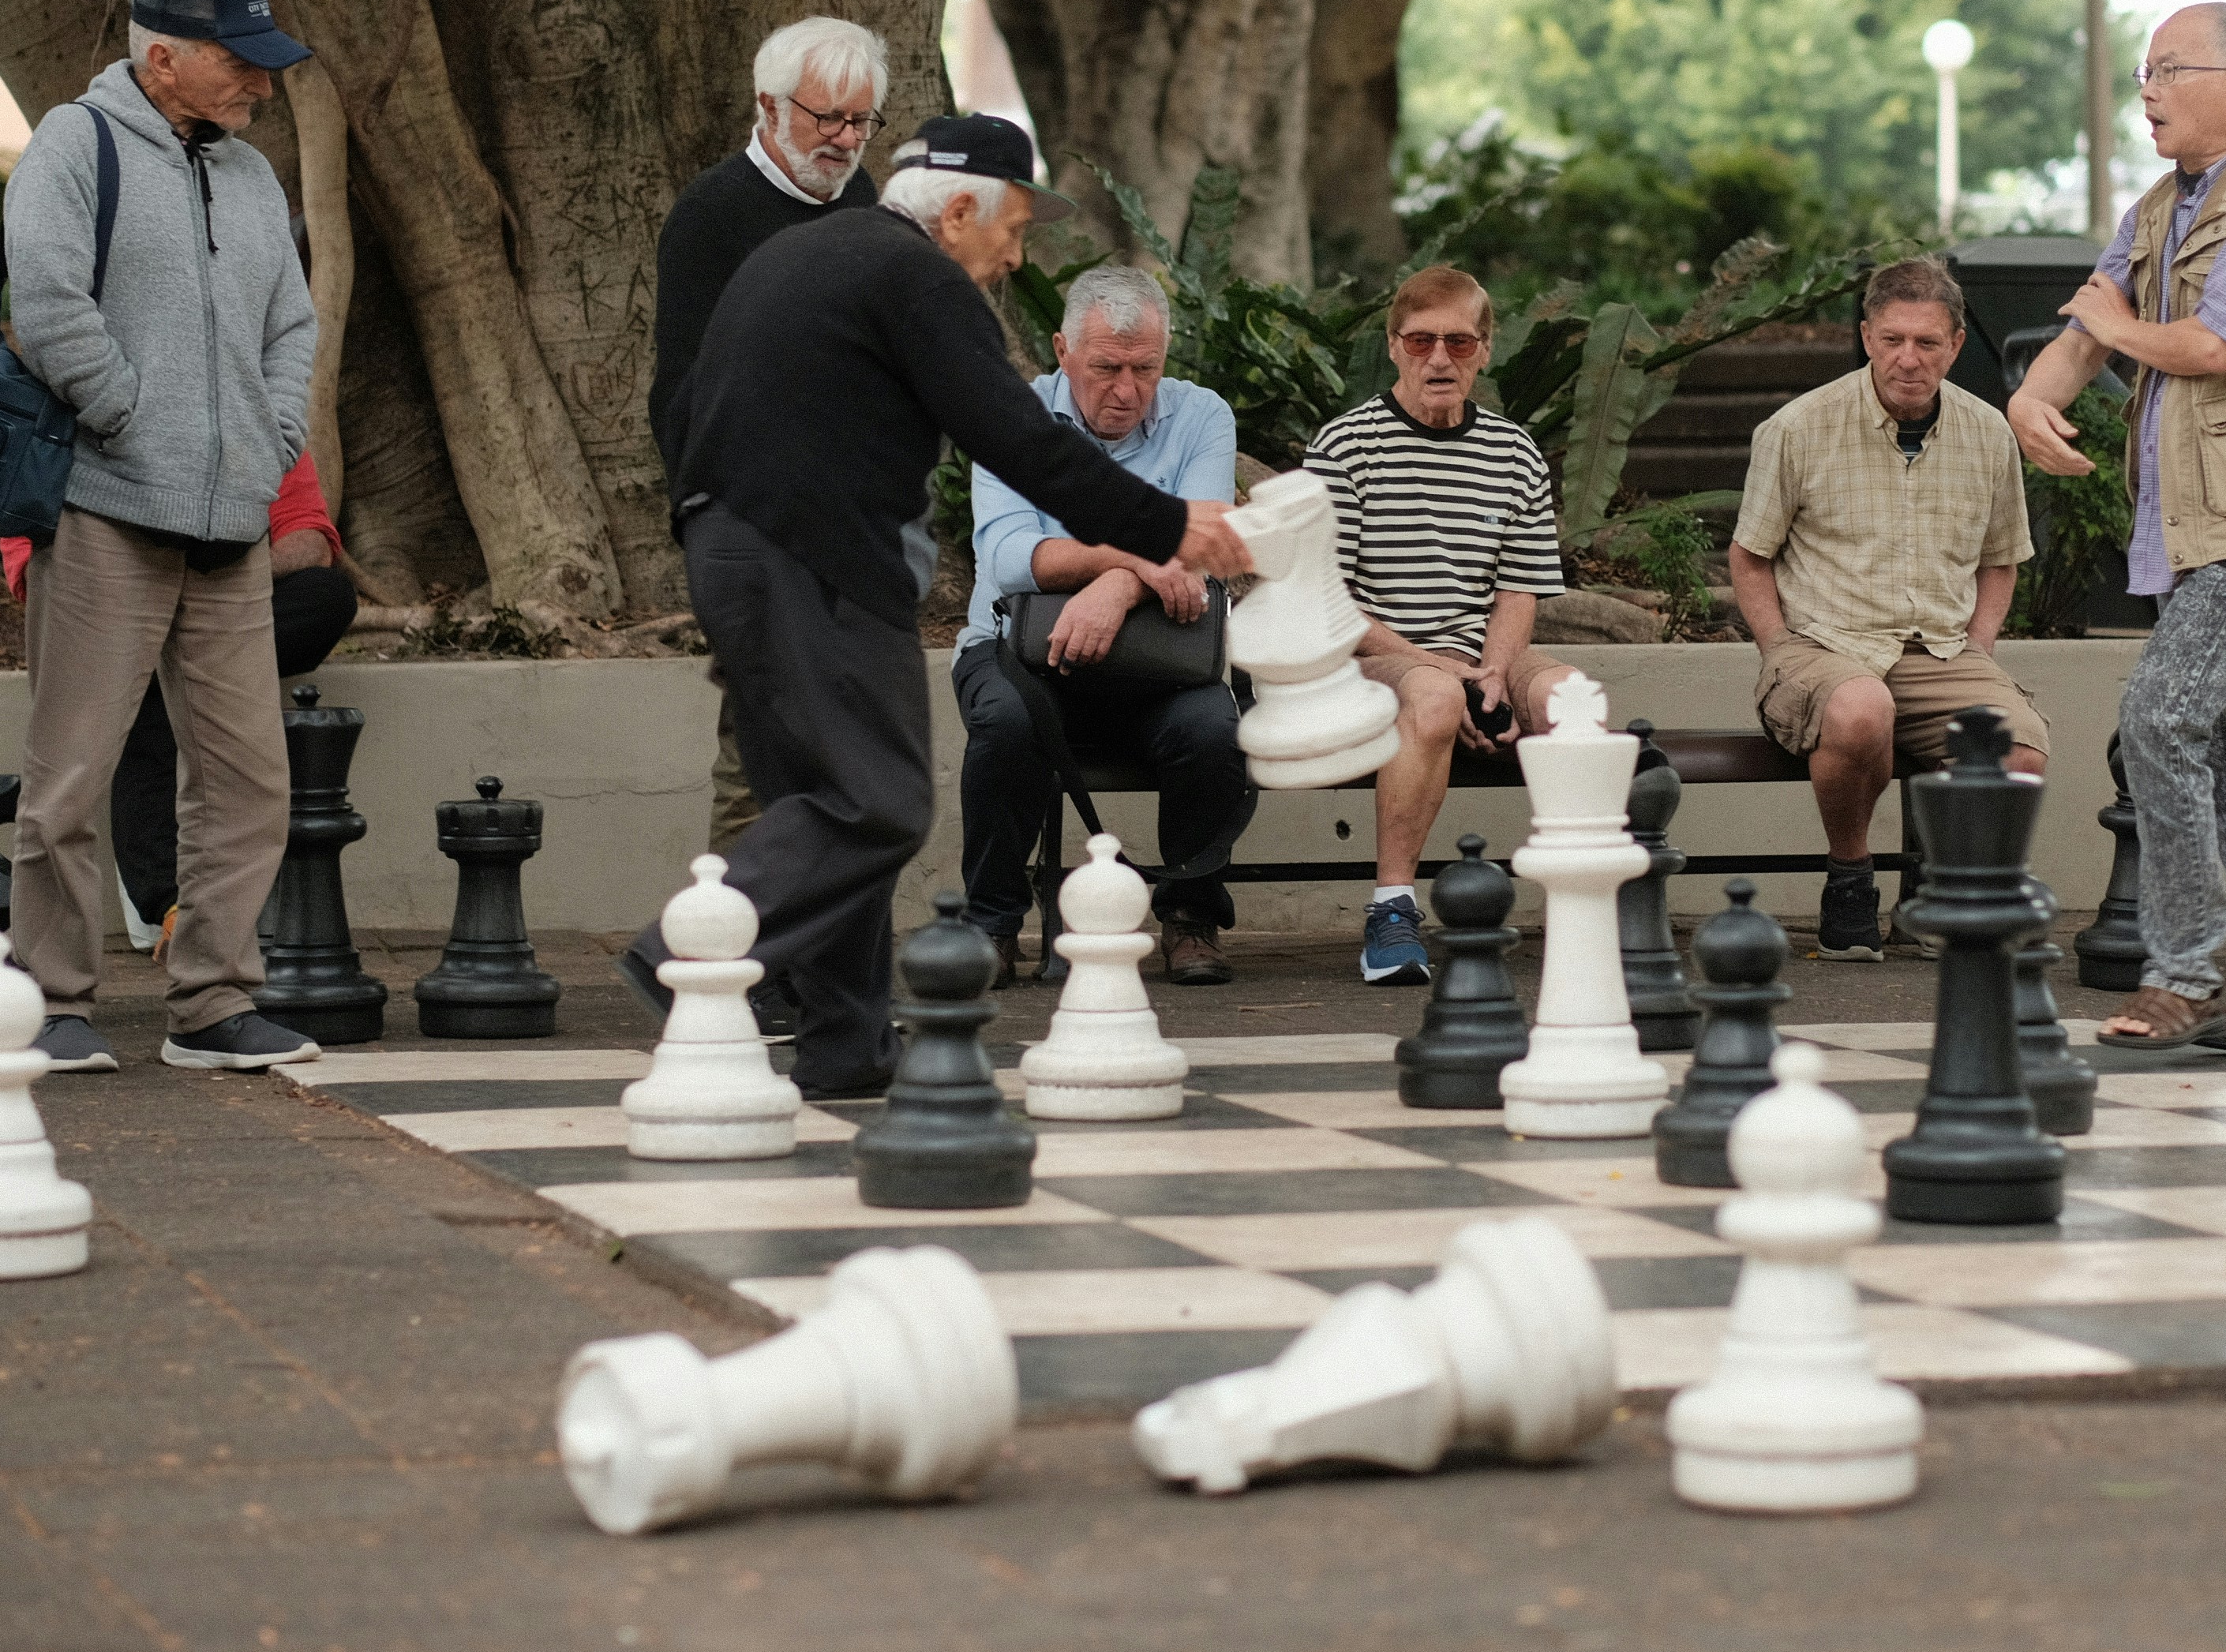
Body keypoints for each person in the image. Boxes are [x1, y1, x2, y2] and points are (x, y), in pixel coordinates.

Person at [637, 114, 1247, 1098]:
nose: (1014, 257)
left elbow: (687, 402)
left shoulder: (812, 252)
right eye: (1011, 231)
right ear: (958, 211)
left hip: (731, 544)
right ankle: (689, 954)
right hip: (816, 558)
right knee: (879, 801)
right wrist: (1167, 528)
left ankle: (846, 1042)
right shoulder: (914, 275)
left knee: (814, 797)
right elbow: (1023, 440)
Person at [2006, 1, 2226, 1059]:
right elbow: (2091, 317)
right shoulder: (2164, 203)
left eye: (2169, 69)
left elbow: (2216, 346)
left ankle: (2181, 974)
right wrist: (2034, 396)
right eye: (2146, 71)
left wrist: (2113, 331)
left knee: (2160, 722)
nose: (2146, 91)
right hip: (2195, 517)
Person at [2, 0, 323, 1077]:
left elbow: (294, 323)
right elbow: (42, 301)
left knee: (248, 781)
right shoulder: (71, 148)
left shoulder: (247, 175)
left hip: (230, 525)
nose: (261, 86)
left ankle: (215, 1000)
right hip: (104, 512)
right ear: (164, 56)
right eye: (242, 64)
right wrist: (132, 417)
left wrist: (273, 436)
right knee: (68, 778)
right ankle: (51, 999)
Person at [1729, 256, 2043, 962]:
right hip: (1822, 645)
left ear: (1956, 346)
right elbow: (1749, 558)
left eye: (1928, 343)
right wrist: (1777, 648)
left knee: (2018, 751)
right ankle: (1850, 879)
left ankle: (1942, 900)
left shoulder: (1989, 432)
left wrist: (1981, 648)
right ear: (1867, 336)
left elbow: (2002, 557)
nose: (1909, 358)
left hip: (1939, 648)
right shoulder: (1798, 427)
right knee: (1861, 708)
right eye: (1894, 339)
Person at [952, 266, 1246, 987]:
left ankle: (1190, 917)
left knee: (1215, 728)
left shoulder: (1202, 416)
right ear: (1061, 349)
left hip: (1161, 659)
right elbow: (1012, 556)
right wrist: (1143, 560)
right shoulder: (1008, 418)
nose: (1125, 391)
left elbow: (1204, 545)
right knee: (1008, 723)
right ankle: (991, 924)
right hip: (1017, 650)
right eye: (1106, 367)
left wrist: (1112, 590)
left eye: (1145, 369)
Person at [650, 17, 890, 865]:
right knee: (758, 756)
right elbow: (680, 392)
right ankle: (740, 963)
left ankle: (814, 957)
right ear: (767, 106)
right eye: (826, 117)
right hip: (754, 526)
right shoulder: (713, 216)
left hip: (851, 533)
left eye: (861, 121)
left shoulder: (863, 204)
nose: (844, 139)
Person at [1302, 266, 1576, 987]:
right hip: (1370, 657)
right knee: (1431, 696)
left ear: (1485, 350)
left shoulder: (1514, 454)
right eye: (1421, 341)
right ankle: (1391, 911)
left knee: (1572, 698)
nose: (1439, 359)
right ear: (1394, 347)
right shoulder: (1345, 447)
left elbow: (1518, 590)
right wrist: (1442, 669)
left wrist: (1491, 671)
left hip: (1478, 653)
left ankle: (1592, 901)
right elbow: (1325, 601)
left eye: (1459, 342)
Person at [0, 454, 357, 942]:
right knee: (144, 675)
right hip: (109, 606)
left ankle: (173, 908)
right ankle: (169, 908)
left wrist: (200, 589)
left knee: (325, 594)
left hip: (222, 602)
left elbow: (310, 541)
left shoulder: (251, 409)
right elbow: (37, 564)